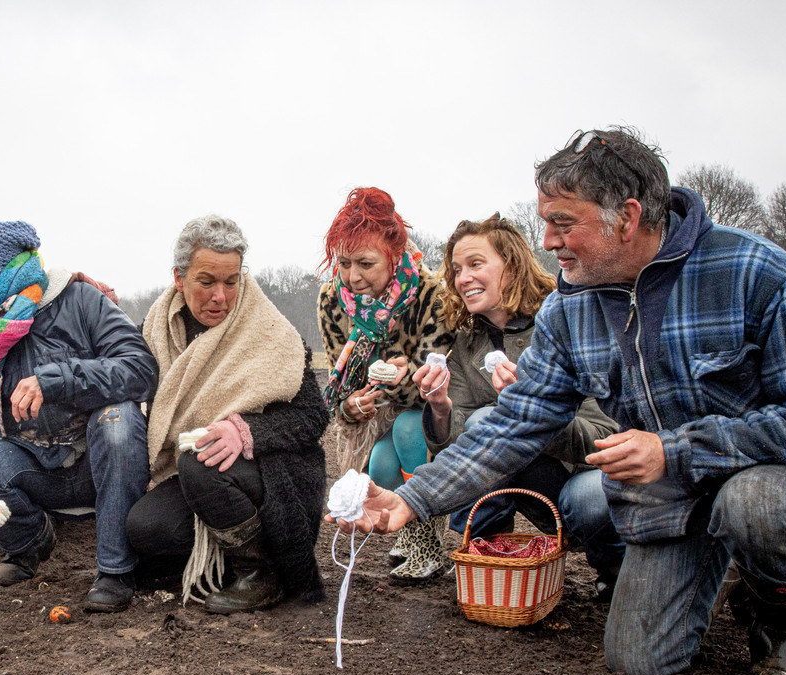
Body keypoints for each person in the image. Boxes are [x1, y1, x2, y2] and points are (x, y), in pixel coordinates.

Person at [338, 128, 786, 675]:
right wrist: (413, 498)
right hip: (673, 488)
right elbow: (512, 424)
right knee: (637, 661)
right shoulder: (570, 308)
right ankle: (727, 558)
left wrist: (675, 451)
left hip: (780, 469)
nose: (548, 241)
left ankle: (779, 621)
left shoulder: (759, 274)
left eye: (562, 222)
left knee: (754, 504)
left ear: (626, 217)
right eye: (545, 222)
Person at [0, 220, 158, 610]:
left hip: (97, 463)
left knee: (119, 419)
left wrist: (59, 379)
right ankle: (28, 542)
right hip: (36, 468)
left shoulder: (81, 302)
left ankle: (116, 571)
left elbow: (141, 368)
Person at [126, 215, 329, 614]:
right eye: (207, 282)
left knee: (201, 460)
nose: (220, 295)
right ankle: (215, 566)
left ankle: (263, 571)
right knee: (144, 529)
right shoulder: (156, 330)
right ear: (179, 278)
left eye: (232, 281)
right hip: (196, 475)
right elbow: (112, 357)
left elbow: (312, 417)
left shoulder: (273, 334)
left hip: (270, 473)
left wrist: (245, 431)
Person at [411, 214, 623, 588]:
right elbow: (456, 441)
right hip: (514, 478)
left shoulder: (565, 322)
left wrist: (532, 409)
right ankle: (487, 560)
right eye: (457, 269)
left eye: (476, 264)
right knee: (479, 425)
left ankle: (616, 567)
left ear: (512, 265)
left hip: (576, 479)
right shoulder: (465, 345)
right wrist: (440, 407)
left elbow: (603, 434)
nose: (463, 278)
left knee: (591, 498)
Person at [317, 188, 455, 582]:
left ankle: (427, 546)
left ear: (393, 258)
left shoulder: (431, 295)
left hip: (432, 408)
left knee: (410, 429)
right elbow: (338, 384)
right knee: (379, 464)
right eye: (344, 263)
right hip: (376, 418)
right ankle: (409, 530)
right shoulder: (332, 301)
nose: (352, 276)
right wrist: (350, 405)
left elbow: (434, 377)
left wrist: (403, 375)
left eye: (365, 263)